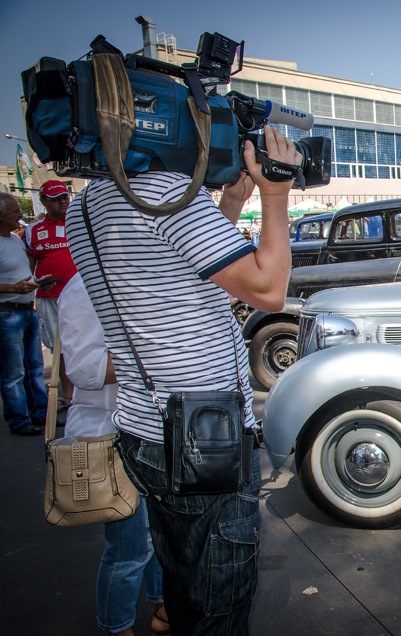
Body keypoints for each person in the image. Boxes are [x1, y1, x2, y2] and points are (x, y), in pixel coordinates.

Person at [66, 125, 300, 634]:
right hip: (204, 434)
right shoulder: (168, 192)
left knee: (182, 578)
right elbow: (267, 288)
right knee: (219, 598)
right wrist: (276, 194)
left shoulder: (86, 205)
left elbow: (177, 272)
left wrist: (231, 203)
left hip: (145, 425)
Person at [58, 274, 168, 636]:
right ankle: (117, 625)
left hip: (149, 429)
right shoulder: (82, 288)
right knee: (129, 546)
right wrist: (160, 352)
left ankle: (163, 607)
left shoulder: (130, 277)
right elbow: (83, 370)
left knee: (161, 533)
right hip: (108, 434)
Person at [24, 179, 78, 407]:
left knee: (91, 342)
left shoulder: (80, 221)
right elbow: (28, 265)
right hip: (51, 296)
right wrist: (34, 283)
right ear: (44, 201)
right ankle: (68, 395)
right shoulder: (33, 230)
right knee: (61, 349)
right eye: (56, 199)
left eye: (65, 196)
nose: (63, 202)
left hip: (82, 297)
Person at [0, 193, 47, 435]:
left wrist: (36, 283)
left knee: (34, 367)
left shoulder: (16, 240)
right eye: (15, 211)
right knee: (13, 372)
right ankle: (19, 420)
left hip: (26, 310)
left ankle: (40, 413)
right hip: (7, 314)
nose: (20, 215)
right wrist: (14, 288)